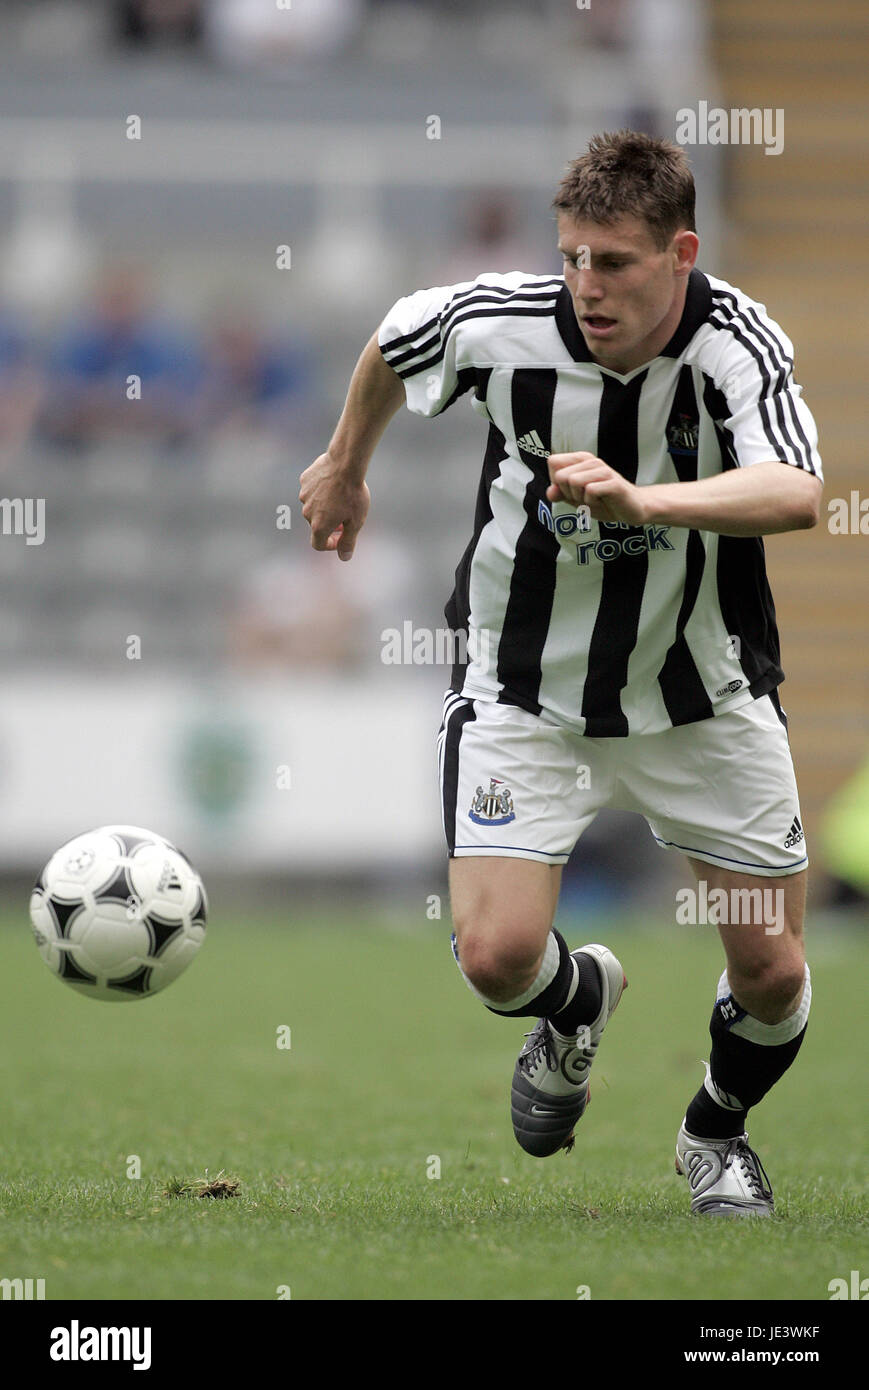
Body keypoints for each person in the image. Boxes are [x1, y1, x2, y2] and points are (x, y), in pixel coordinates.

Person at [300, 131, 823, 1218]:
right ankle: (575, 1002)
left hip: (699, 694)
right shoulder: (494, 321)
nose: (586, 284)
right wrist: (345, 464)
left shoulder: (734, 341)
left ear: (679, 252)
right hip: (524, 691)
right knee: (494, 956)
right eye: (572, 257)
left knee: (770, 975)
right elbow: (394, 345)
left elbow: (794, 490)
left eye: (615, 262)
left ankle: (713, 1130)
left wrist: (647, 500)